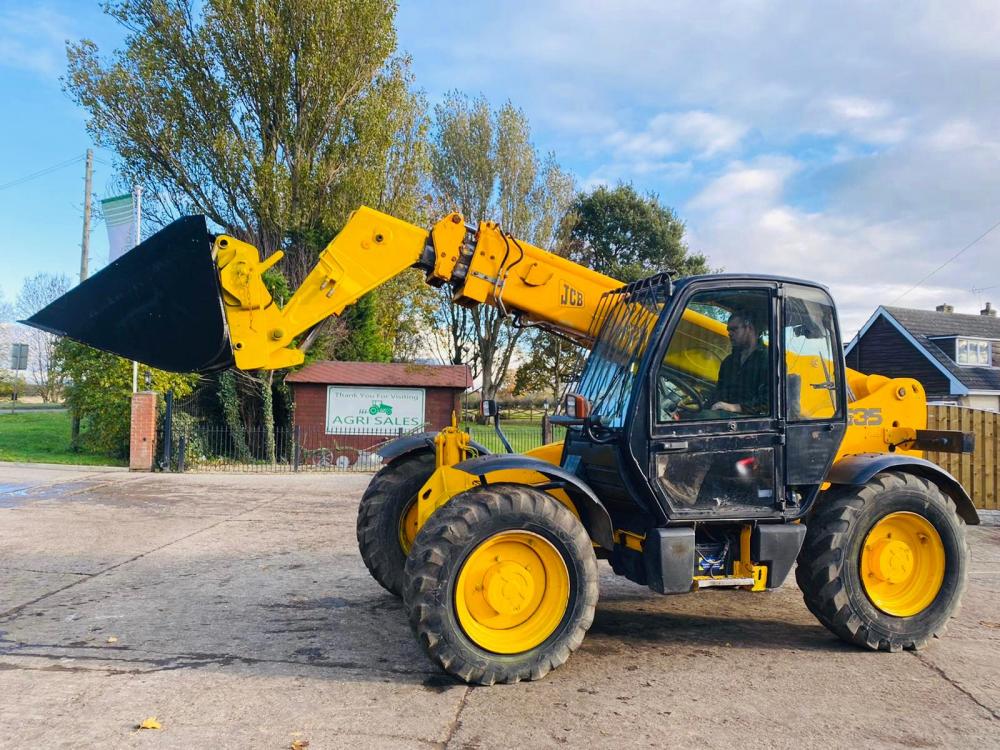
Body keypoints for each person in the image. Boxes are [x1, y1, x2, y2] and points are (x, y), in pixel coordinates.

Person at [710, 310, 769, 415]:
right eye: (729, 330)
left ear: (749, 328)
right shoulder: (728, 362)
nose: (730, 334)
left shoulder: (769, 360)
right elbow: (718, 394)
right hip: (724, 419)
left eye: (734, 329)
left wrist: (735, 407)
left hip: (754, 424)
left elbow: (769, 403)